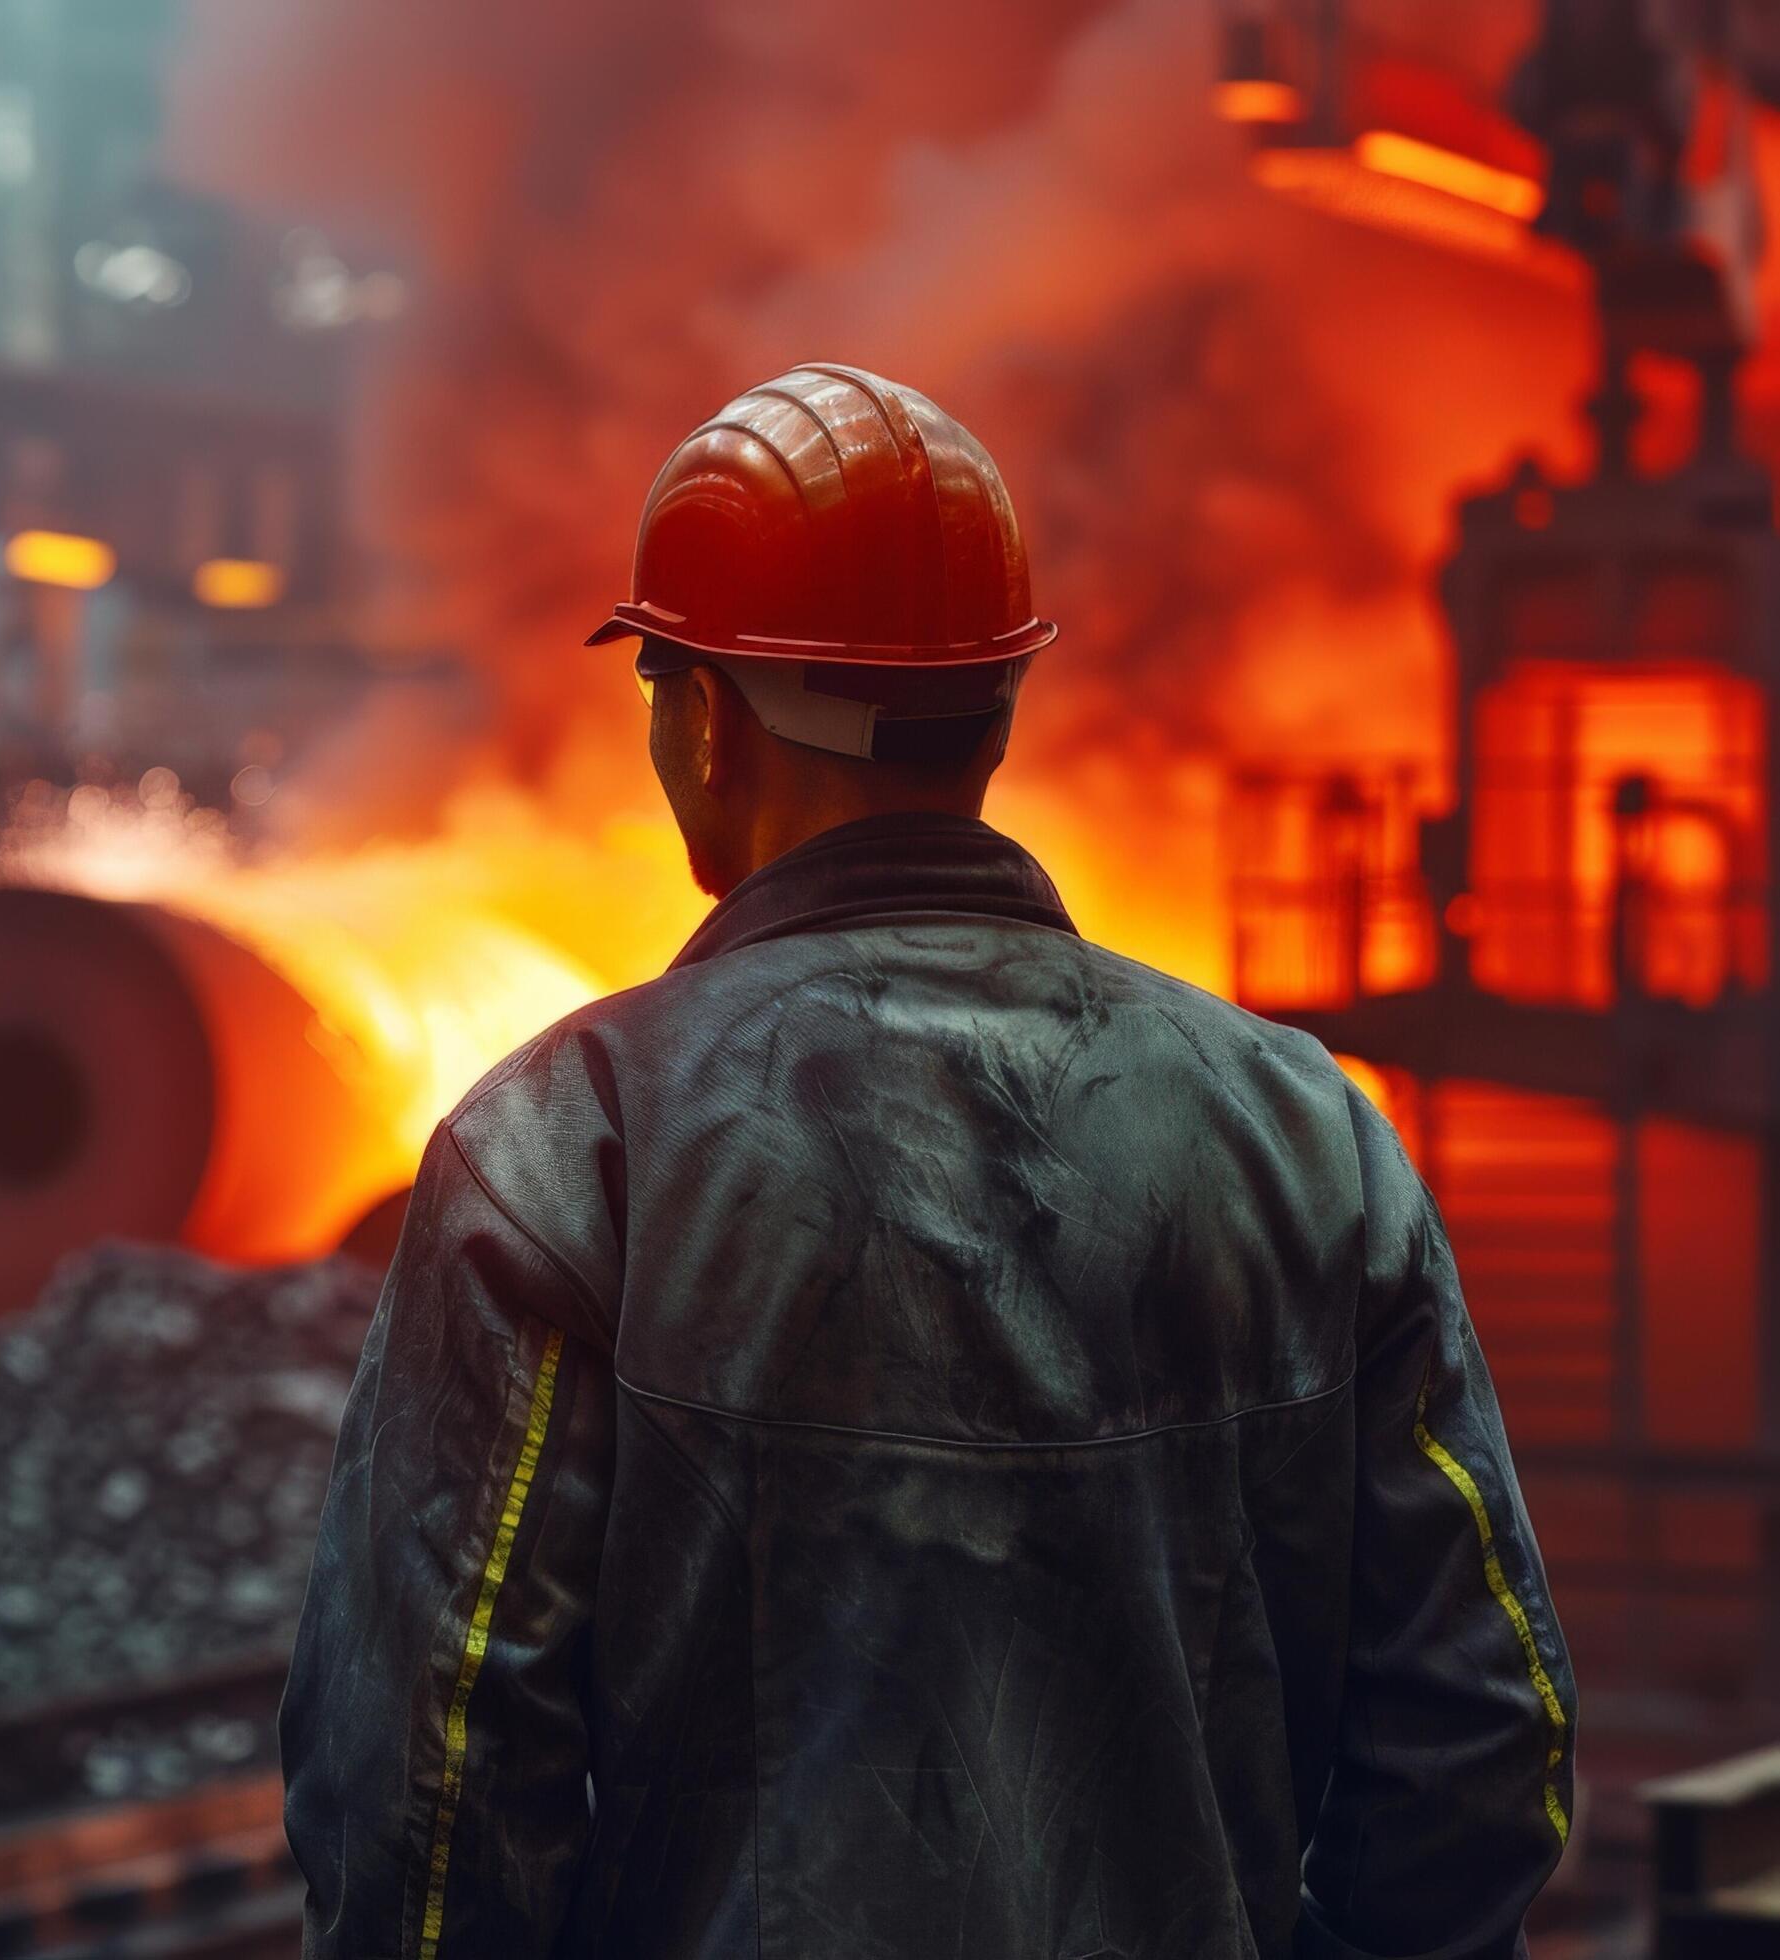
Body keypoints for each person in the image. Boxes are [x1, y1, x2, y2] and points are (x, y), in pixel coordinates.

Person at [281, 365, 1575, 1958]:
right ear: (997, 709)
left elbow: (431, 1791)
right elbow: (1475, 1740)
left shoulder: (566, 1148)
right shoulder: (1305, 1133)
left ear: (698, 716)